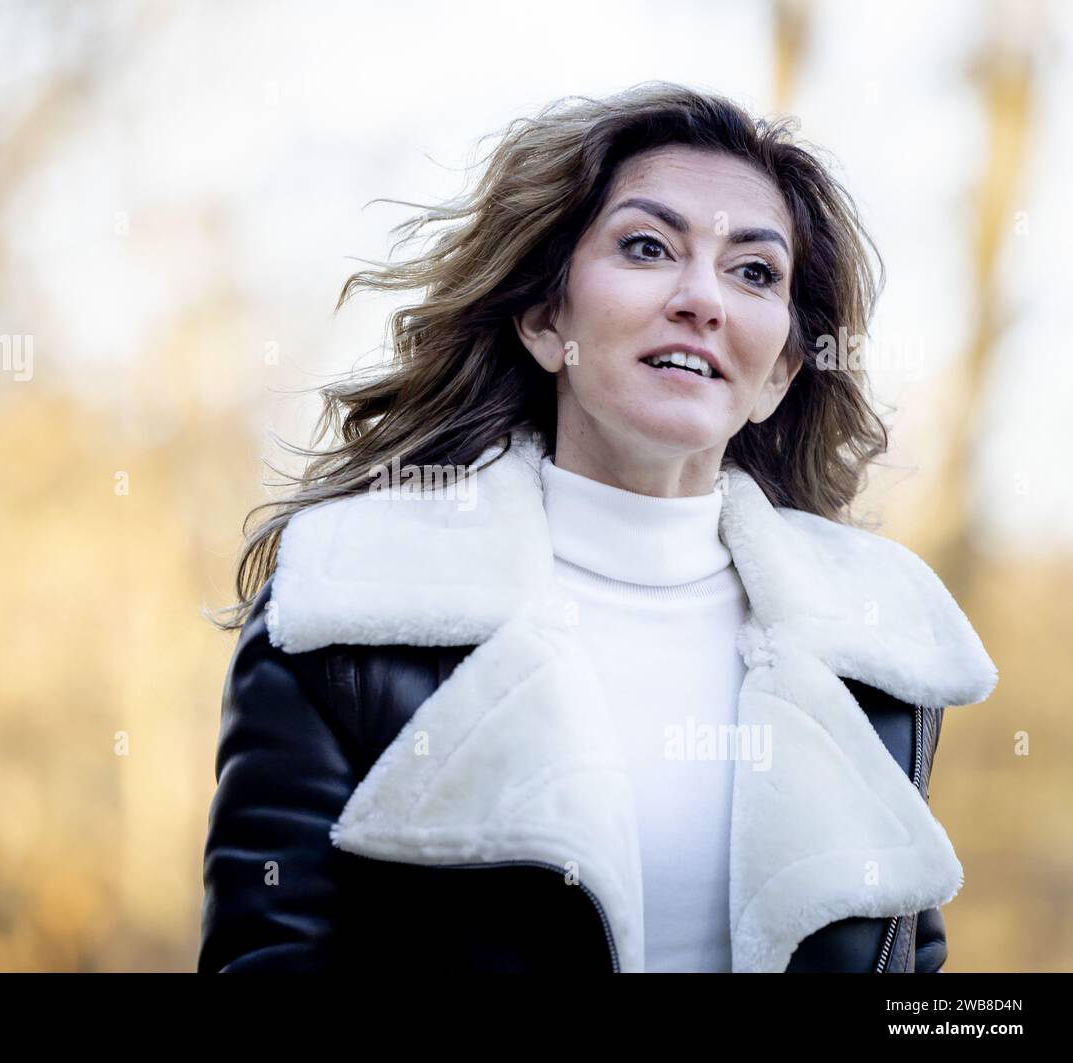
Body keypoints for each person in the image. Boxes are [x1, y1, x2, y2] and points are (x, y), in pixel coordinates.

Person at [197, 82, 998, 973]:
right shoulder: (343, 603)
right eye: (648, 247)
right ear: (546, 319)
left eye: (755, 271)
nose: (704, 299)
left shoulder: (877, 639)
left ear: (778, 372)